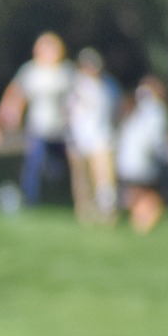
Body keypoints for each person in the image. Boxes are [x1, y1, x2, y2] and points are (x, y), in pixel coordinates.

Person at [0, 32, 75, 208]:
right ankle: (29, 199)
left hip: (62, 127)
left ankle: (66, 197)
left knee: (60, 165)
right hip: (38, 126)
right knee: (33, 162)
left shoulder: (66, 71)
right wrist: (11, 110)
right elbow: (17, 91)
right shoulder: (31, 70)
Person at [65, 48, 119, 226]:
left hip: (101, 137)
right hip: (80, 138)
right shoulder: (75, 85)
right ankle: (85, 211)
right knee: (82, 180)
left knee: (104, 179)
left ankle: (106, 210)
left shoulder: (108, 85)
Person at [118, 77, 168, 234]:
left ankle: (137, 220)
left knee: (135, 192)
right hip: (145, 162)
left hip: (125, 162)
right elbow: (156, 141)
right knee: (148, 194)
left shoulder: (134, 109)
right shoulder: (158, 111)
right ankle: (143, 221)